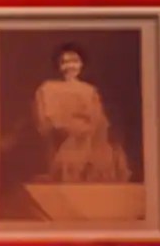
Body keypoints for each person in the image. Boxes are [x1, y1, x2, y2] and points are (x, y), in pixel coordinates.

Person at [33, 43, 131, 184]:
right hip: (63, 135)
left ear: (81, 64)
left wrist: (91, 128)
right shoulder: (48, 88)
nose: (70, 66)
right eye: (65, 62)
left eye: (75, 61)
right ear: (58, 65)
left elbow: (98, 118)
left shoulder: (89, 90)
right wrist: (70, 126)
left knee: (108, 151)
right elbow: (48, 117)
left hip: (89, 135)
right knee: (74, 148)